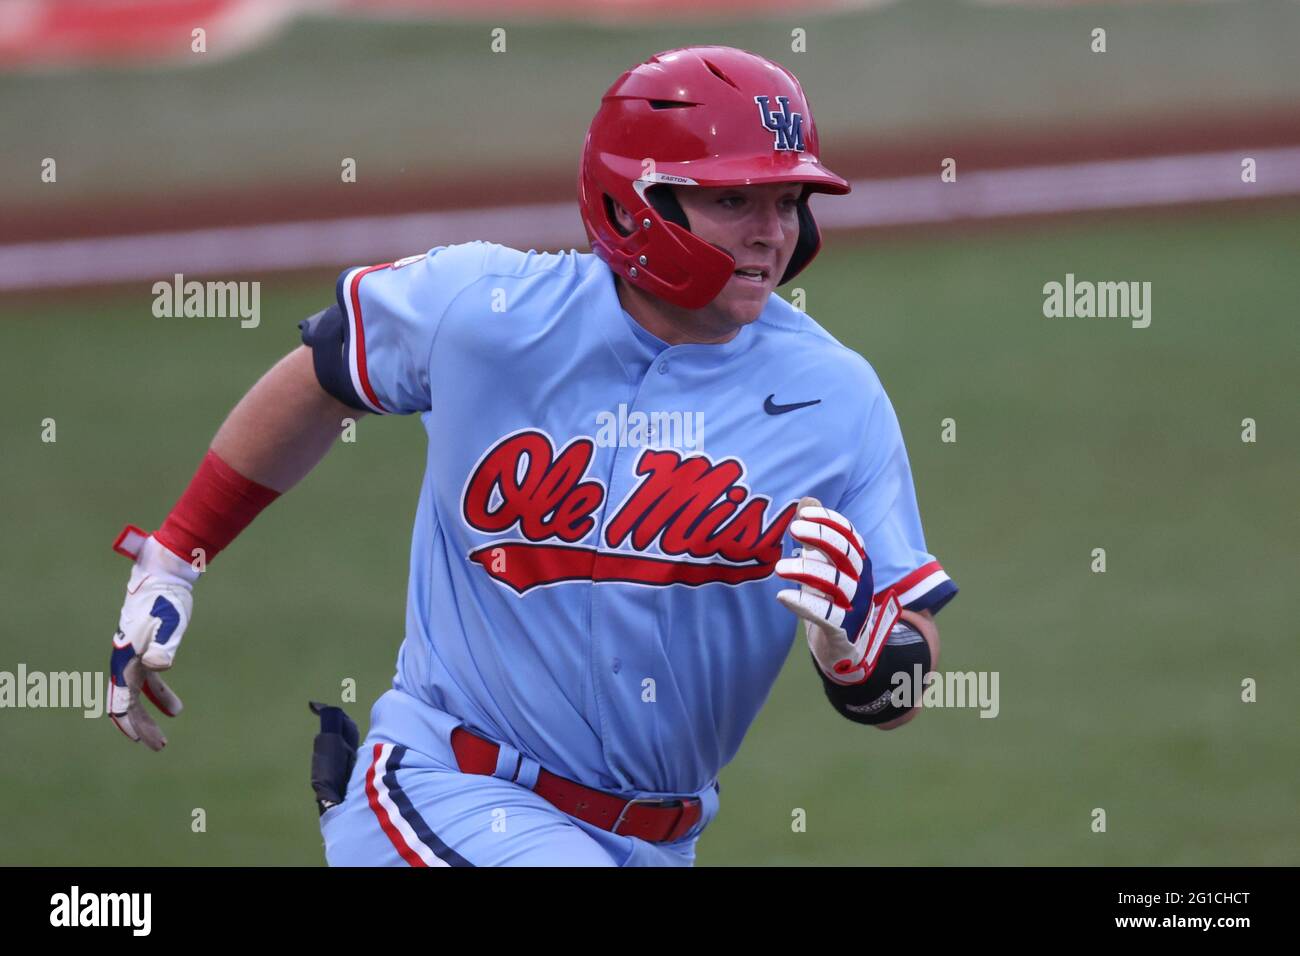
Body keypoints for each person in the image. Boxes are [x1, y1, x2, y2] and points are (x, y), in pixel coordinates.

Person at [107, 45, 957, 867]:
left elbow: (901, 684)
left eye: (787, 202)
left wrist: (865, 657)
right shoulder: (486, 312)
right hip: (445, 788)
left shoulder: (836, 398)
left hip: (660, 841)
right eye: (734, 201)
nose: (771, 233)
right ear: (632, 205)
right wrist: (177, 556)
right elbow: (325, 371)